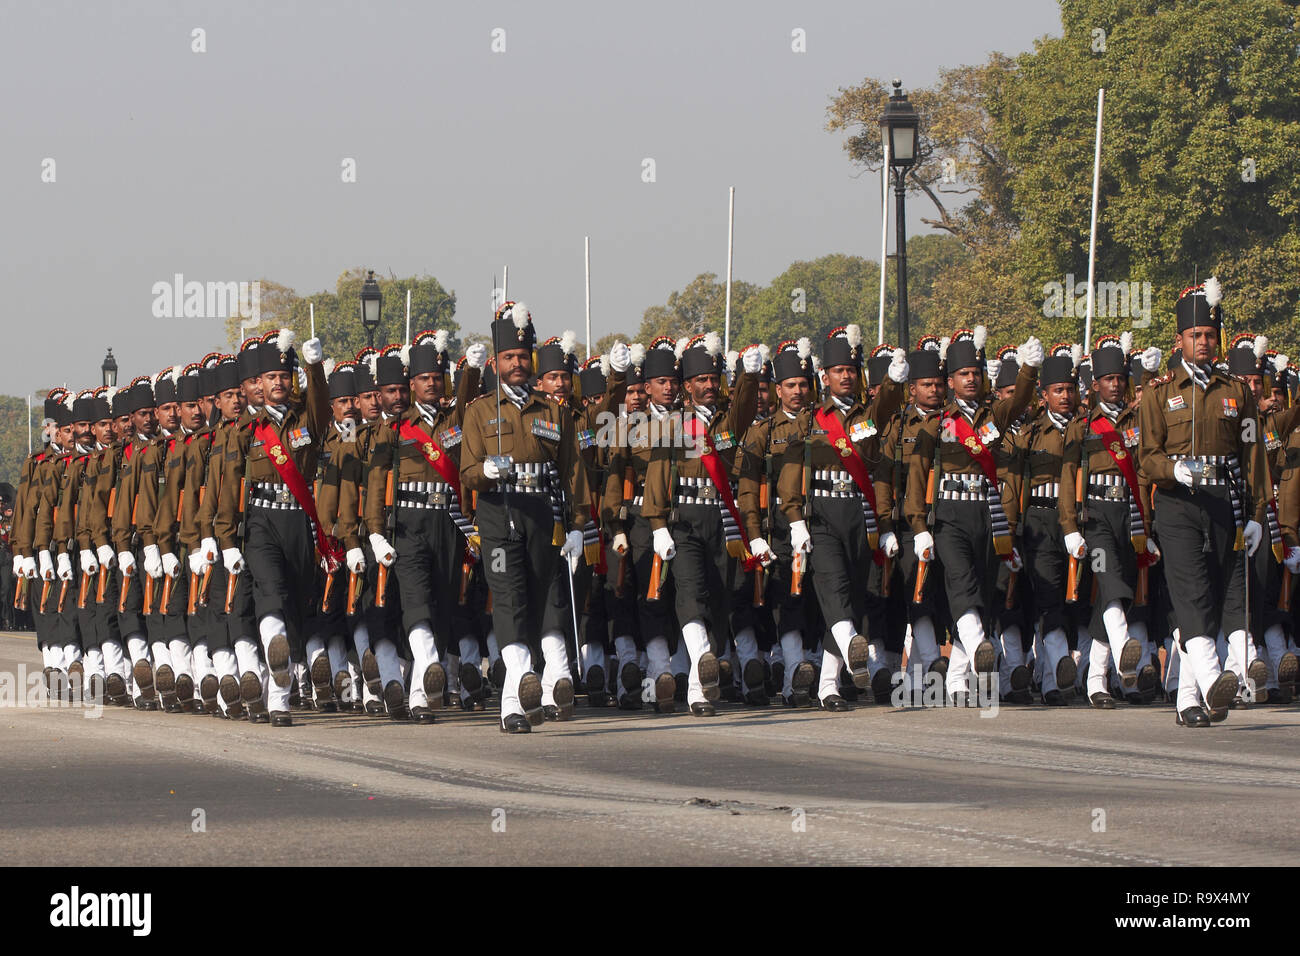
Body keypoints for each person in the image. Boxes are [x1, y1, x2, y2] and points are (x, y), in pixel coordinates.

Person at [1137, 277, 1264, 727]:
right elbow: (1146, 458)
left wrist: (1256, 514)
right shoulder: (1157, 393)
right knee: (1191, 592)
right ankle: (1213, 680)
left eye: (1210, 335)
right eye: (1196, 335)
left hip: (1224, 500)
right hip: (1177, 504)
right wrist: (1175, 469)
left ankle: (1187, 699)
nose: (1204, 342)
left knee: (1217, 595)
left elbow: (1252, 454)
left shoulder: (1236, 390)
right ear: (1180, 340)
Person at [459, 301, 590, 733]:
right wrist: (485, 472)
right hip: (499, 516)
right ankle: (513, 701)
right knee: (510, 602)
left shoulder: (552, 411)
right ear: (495, 362)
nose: (516, 363)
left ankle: (529, 687)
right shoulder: (479, 411)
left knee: (537, 605)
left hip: (542, 517)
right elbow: (467, 472)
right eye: (508, 357)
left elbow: (573, 470)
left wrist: (577, 528)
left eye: (522, 356)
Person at [904, 328, 1042, 705]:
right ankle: (980, 644)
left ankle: (956, 681)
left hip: (986, 513)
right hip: (948, 516)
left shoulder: (990, 417)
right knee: (962, 583)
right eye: (964, 374)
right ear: (950, 381)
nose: (971, 379)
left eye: (976, 374)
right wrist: (918, 525)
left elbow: (1020, 402)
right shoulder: (935, 423)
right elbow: (917, 474)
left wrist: (1029, 368)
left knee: (980, 592)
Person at [776, 326, 907, 711]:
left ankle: (828, 687)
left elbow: (879, 457)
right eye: (838, 370)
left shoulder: (867, 418)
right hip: (821, 517)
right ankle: (854, 651)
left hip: (858, 515)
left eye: (851, 369)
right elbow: (790, 470)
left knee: (847, 600)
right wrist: (795, 518)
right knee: (833, 590)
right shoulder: (810, 419)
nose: (845, 375)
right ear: (826, 377)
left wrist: (894, 385)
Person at [214, 329, 331, 727]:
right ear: (258, 385)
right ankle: (278, 693)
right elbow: (230, 488)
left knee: (295, 600)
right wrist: (227, 539)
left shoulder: (307, 419)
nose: (278, 383)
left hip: (298, 520)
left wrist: (315, 368)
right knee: (270, 591)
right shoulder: (245, 431)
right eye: (270, 378)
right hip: (260, 522)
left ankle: (282, 660)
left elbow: (322, 406)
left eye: (284, 376)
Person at [641, 332, 761, 717]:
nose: (710, 386)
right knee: (690, 596)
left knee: (720, 598)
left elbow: (744, 403)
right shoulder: (674, 425)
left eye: (714, 379)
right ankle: (700, 677)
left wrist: (749, 376)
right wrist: (657, 524)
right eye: (701, 380)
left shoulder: (730, 422)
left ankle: (699, 684)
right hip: (685, 525)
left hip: (722, 523)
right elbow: (658, 473)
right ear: (687, 386)